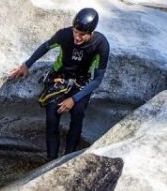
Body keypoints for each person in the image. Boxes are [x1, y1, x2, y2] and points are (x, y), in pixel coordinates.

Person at [8, 8, 110, 160]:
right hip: (59, 77)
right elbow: (45, 46)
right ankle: (51, 160)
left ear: (92, 33)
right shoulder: (64, 35)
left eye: (82, 34)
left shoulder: (101, 44)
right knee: (52, 116)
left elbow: (97, 80)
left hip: (81, 83)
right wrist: (27, 65)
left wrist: (73, 100)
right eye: (76, 32)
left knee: (77, 114)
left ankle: (68, 158)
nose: (77, 37)